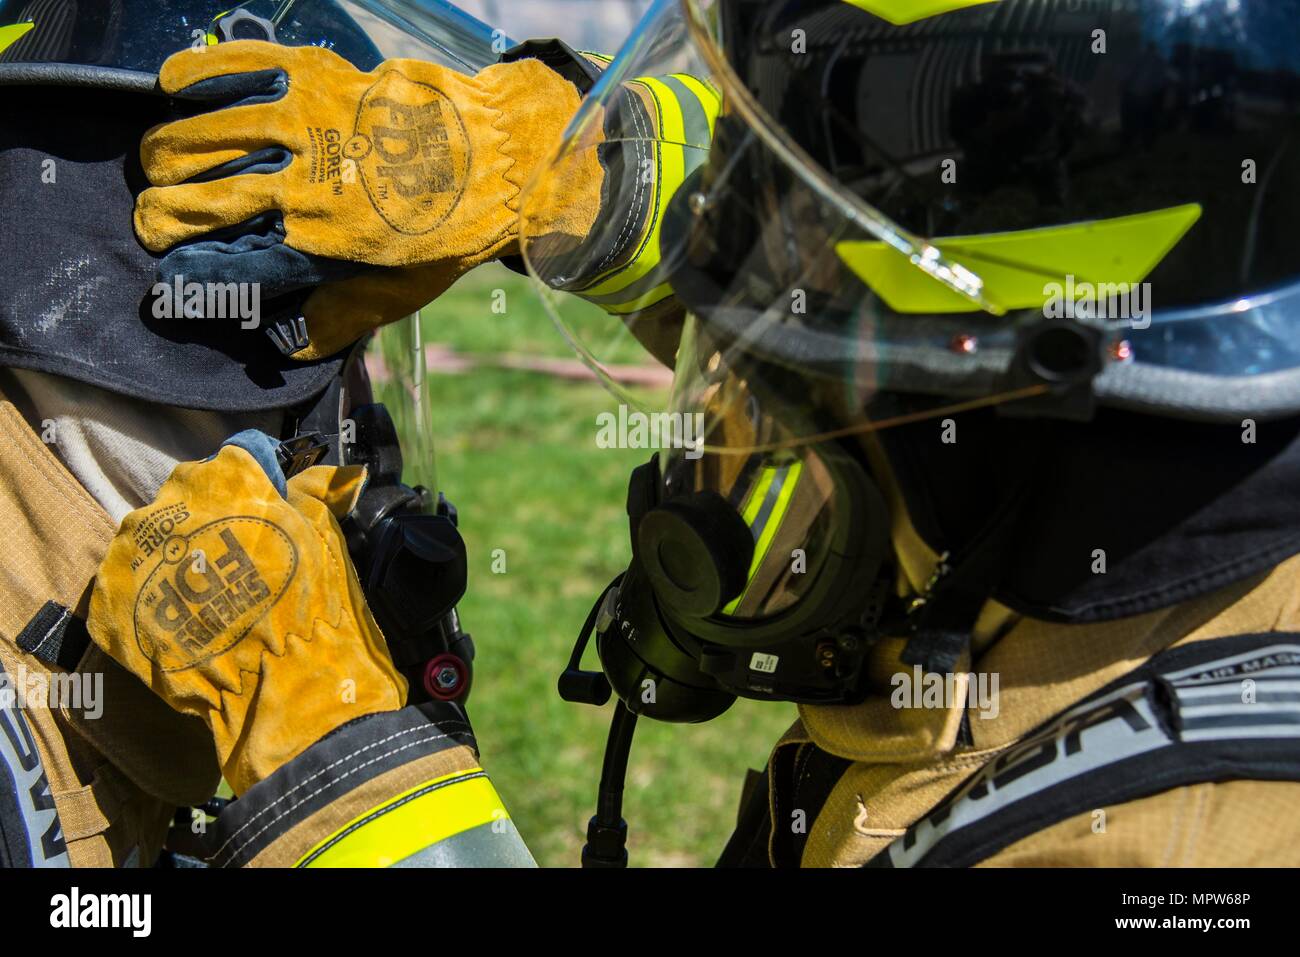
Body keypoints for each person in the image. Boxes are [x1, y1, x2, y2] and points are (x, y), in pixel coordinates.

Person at [8, 0, 1300, 869]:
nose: (720, 383)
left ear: (990, 392)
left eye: (769, 357)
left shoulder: (1170, 852)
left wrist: (337, 772)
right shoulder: (1136, 567)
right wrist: (574, 175)